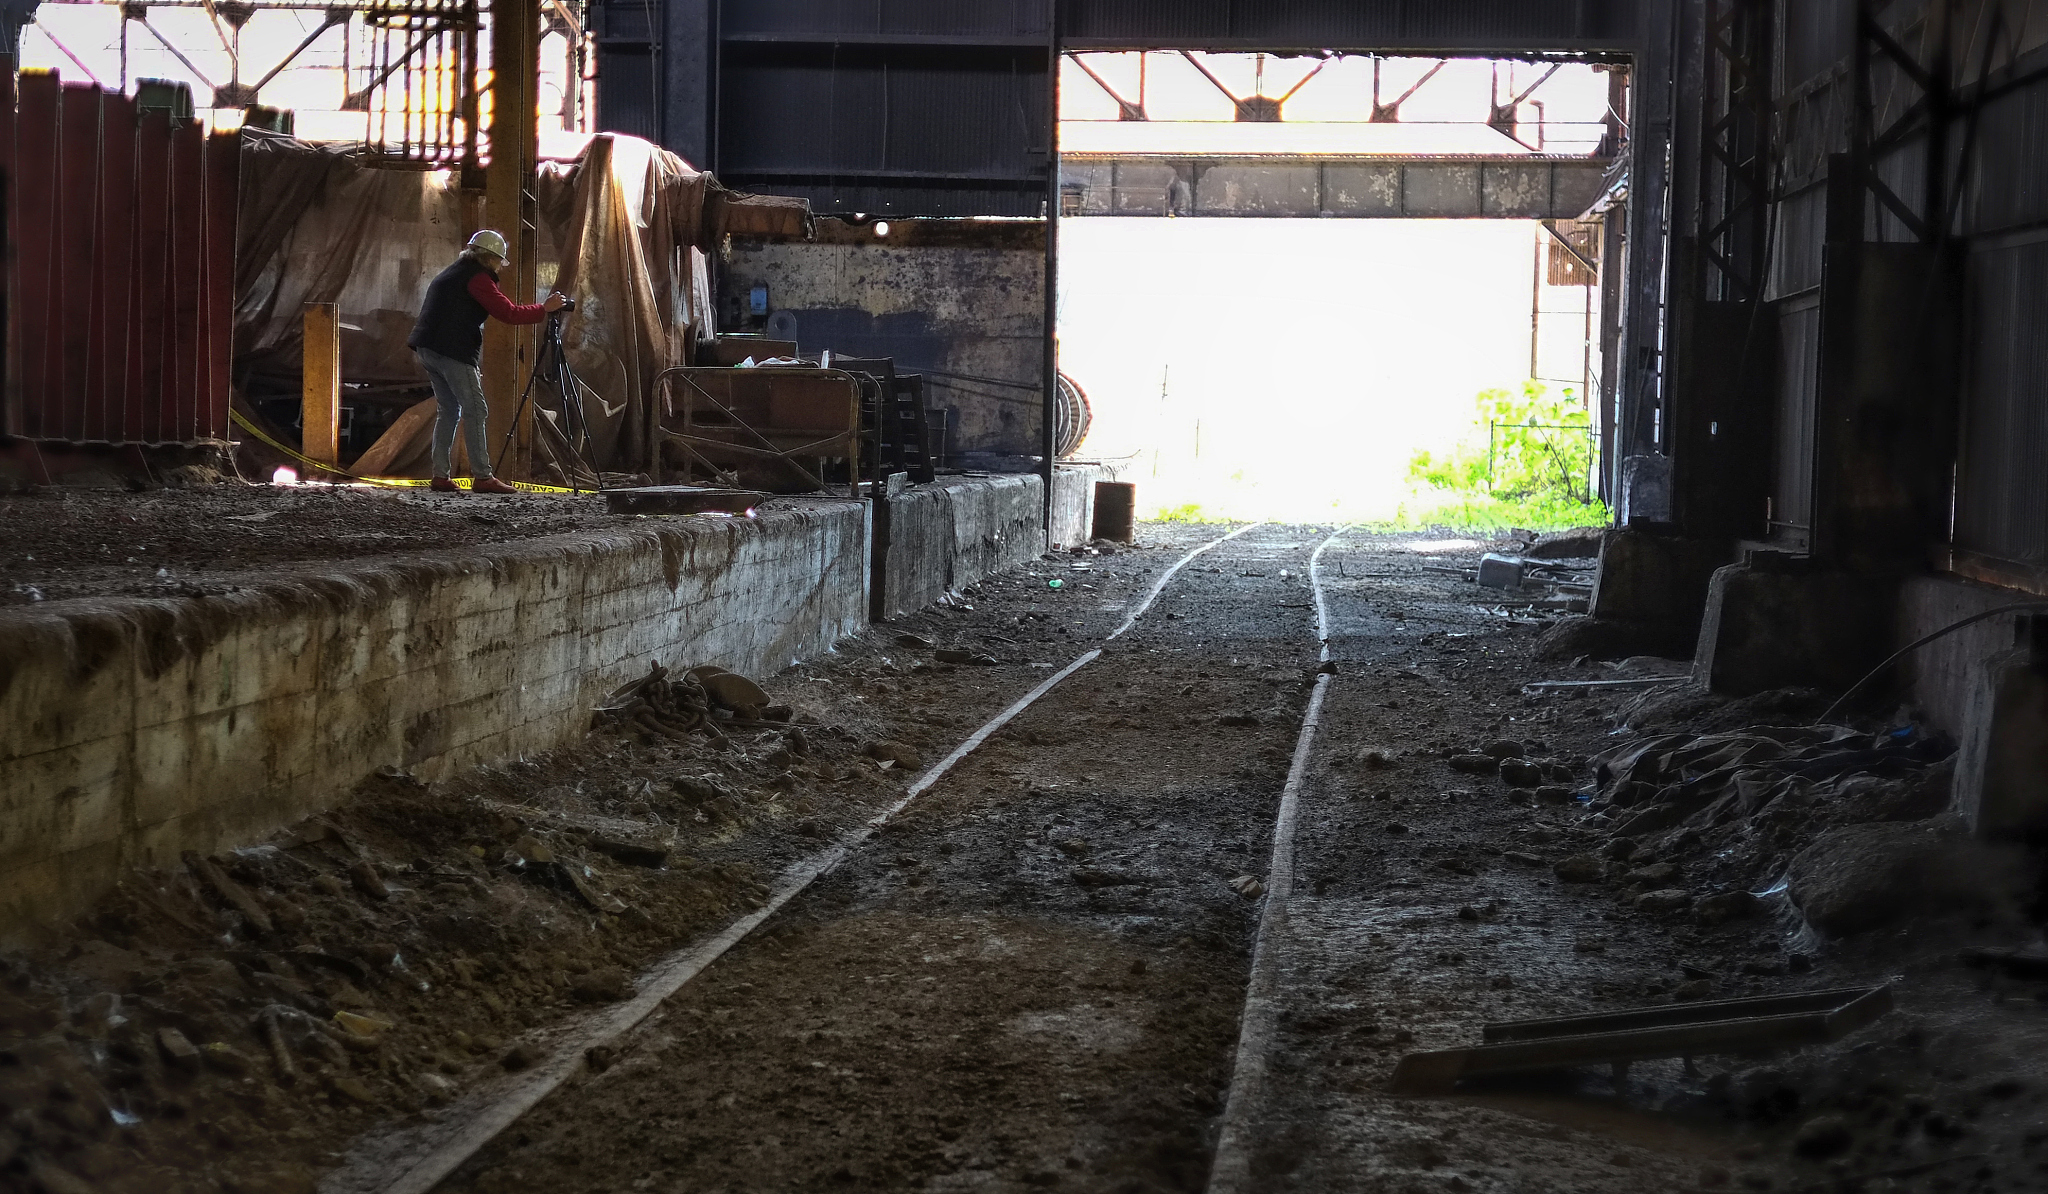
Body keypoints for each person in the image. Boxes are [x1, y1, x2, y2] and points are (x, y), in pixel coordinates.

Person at [407, 229, 569, 494]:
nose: (499, 268)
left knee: (449, 410)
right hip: (453, 352)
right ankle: (482, 476)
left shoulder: (452, 272)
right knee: (476, 410)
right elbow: (508, 312)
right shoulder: (477, 278)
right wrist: (544, 309)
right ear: (491, 258)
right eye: (499, 262)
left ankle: (440, 475)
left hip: (427, 349)